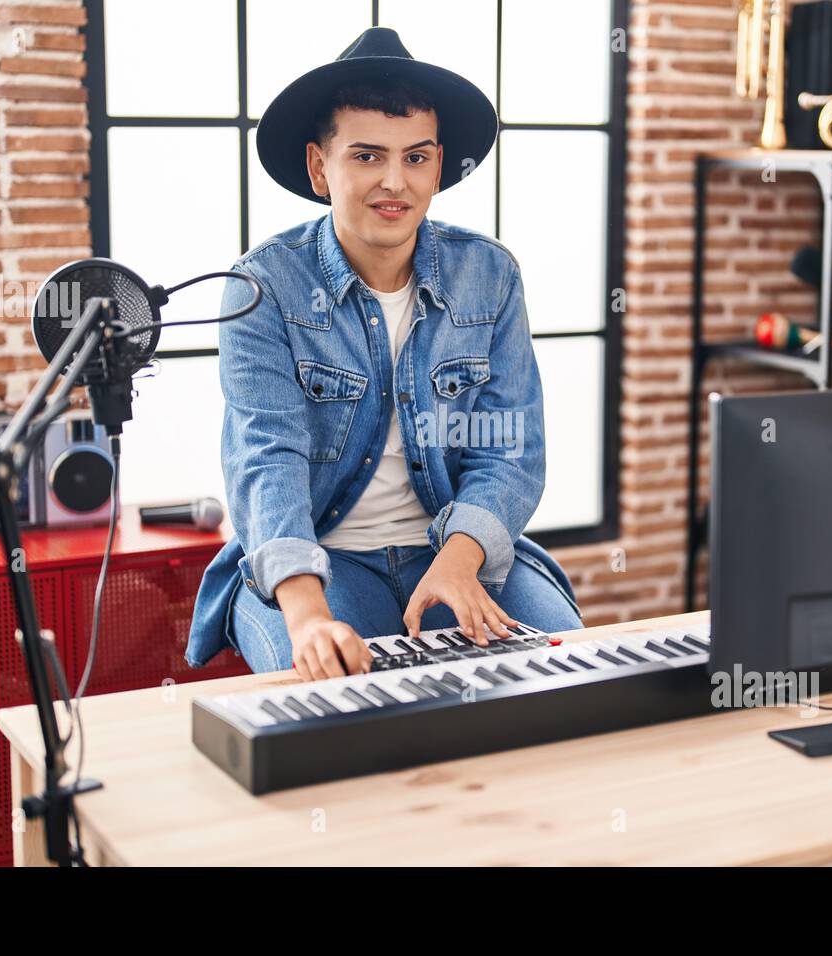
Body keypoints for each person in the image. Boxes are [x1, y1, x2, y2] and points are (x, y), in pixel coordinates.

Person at [185, 27, 582, 682]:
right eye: (367, 157)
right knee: (335, 704)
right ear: (320, 167)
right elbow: (266, 459)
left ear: (438, 164)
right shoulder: (262, 288)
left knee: (565, 675)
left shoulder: (490, 275)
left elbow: (510, 450)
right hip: (320, 561)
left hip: (452, 548)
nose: (395, 183)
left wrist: (458, 561)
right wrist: (308, 614)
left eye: (416, 158)